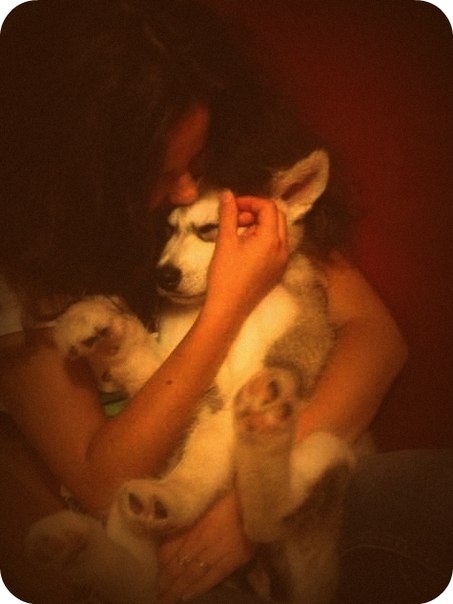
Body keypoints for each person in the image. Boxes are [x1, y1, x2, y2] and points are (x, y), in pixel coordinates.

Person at [0, 1, 409, 603]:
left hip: (285, 483)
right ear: (90, 174)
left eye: (196, 159)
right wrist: (227, 303)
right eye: (160, 173)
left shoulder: (240, 180)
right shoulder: (24, 272)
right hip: (156, 521)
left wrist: (254, 497)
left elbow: (377, 339)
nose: (189, 190)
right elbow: (104, 479)